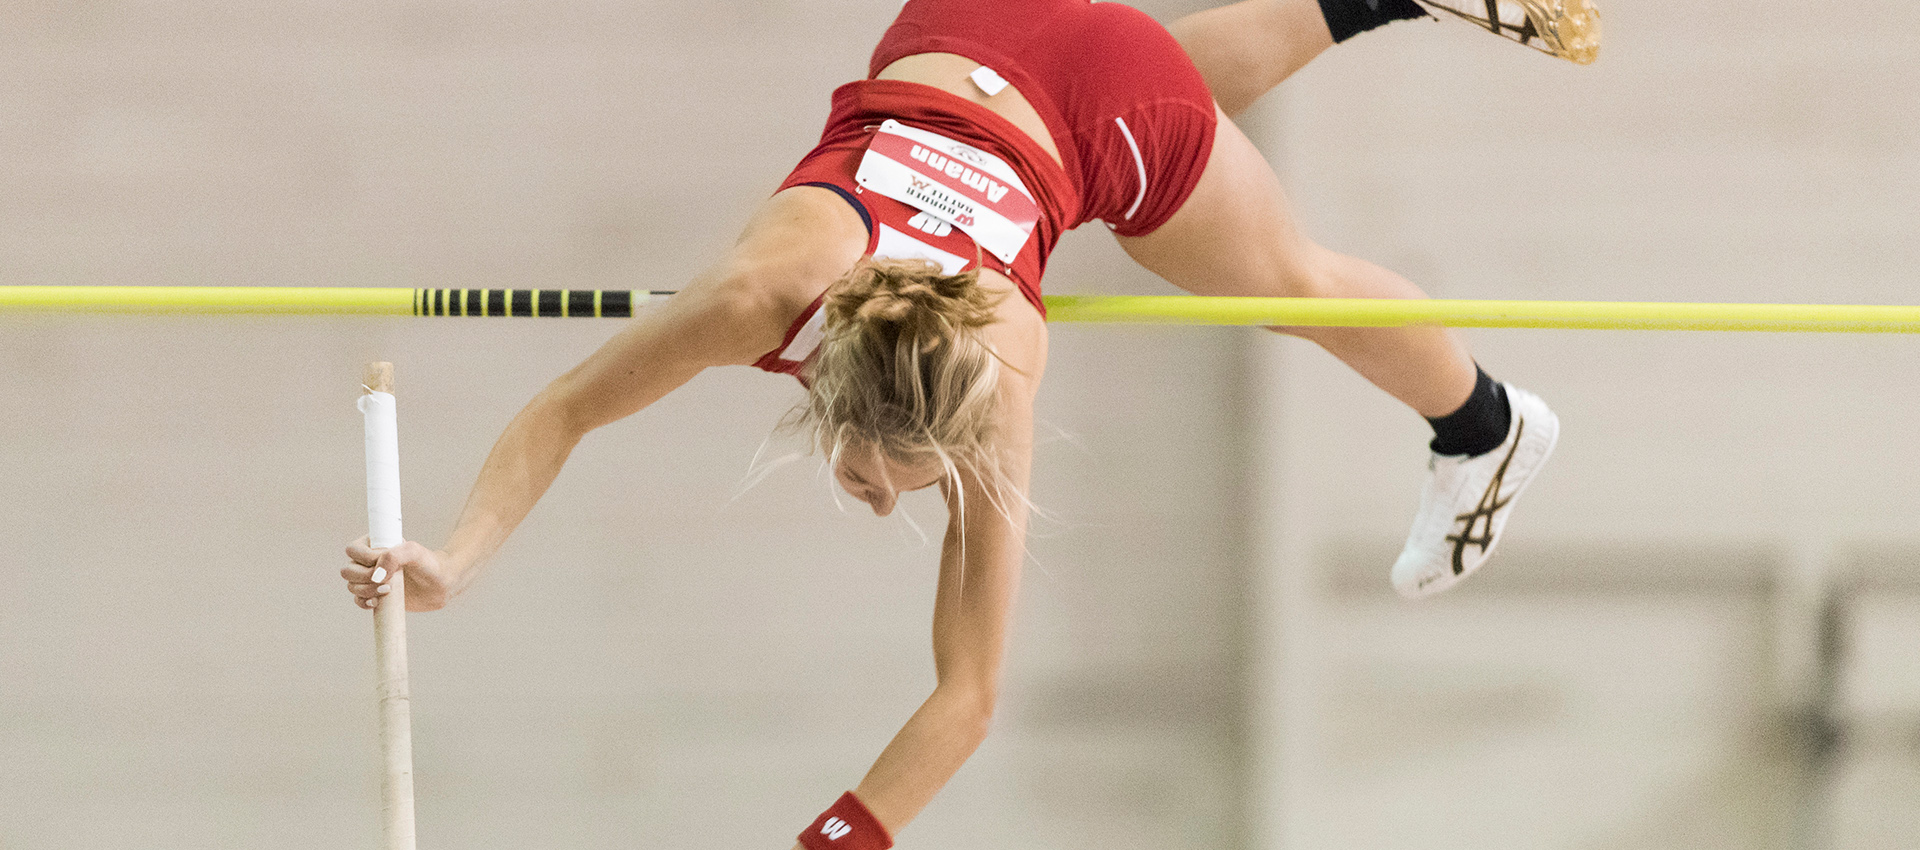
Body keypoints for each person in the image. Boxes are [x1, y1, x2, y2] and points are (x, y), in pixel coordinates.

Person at [341, 0, 1591, 846]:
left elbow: (970, 691)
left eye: (888, 482)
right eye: (897, 483)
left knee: (1290, 281)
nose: (888, 499)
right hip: (1005, 33)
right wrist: (456, 556)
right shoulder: (760, 296)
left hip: (1038, 72)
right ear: (824, 375)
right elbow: (562, 411)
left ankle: (1483, 425)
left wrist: (830, 841)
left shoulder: (998, 376)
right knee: (1143, 69)